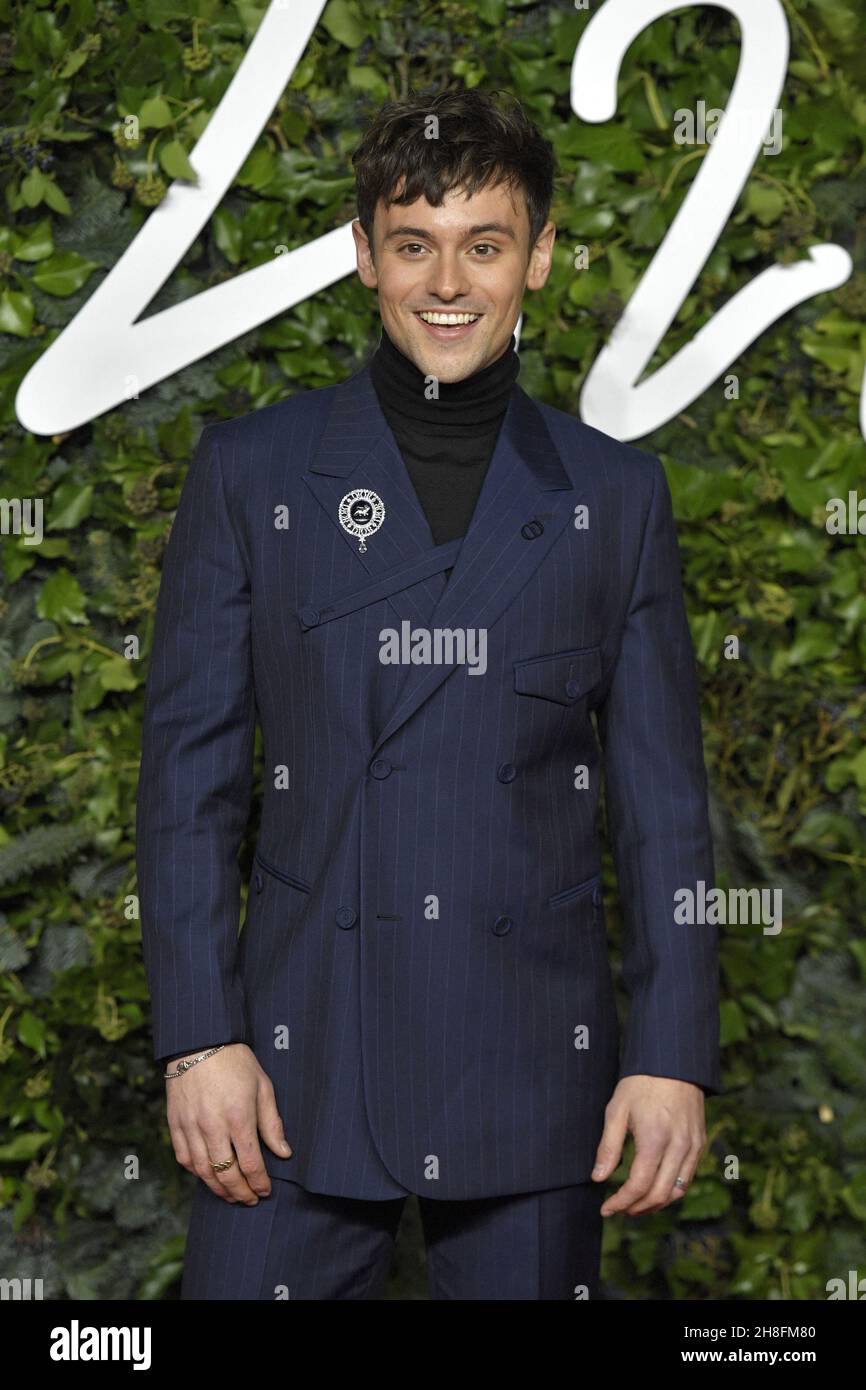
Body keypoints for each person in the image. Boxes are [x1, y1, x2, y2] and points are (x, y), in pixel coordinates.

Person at [136, 85, 720, 1301]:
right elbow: (187, 786)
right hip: (291, 1073)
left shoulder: (614, 498)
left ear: (539, 258)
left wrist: (672, 1056)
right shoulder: (251, 474)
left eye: (484, 245)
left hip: (529, 1074)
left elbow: (662, 812)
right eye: (413, 244)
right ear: (364, 256)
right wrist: (200, 1036)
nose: (446, 281)